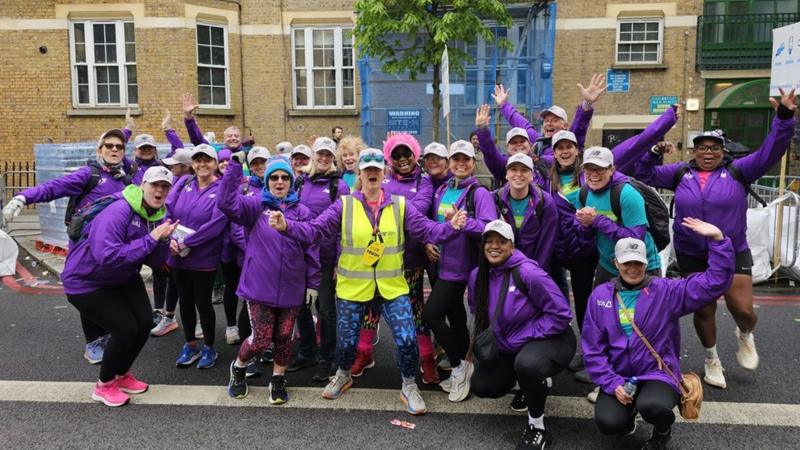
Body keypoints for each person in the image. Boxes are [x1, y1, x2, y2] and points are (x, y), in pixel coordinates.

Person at [268, 148, 468, 415]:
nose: (372, 173)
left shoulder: (400, 205)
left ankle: (409, 385)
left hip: (392, 288)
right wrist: (287, 227)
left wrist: (450, 227)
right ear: (359, 174)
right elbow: (315, 230)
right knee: (347, 343)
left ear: (384, 173)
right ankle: (343, 374)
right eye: (367, 169)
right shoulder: (344, 205)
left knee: (408, 339)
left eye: (377, 169)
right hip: (353, 289)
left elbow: (427, 229)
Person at [632, 88, 797, 389]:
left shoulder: (738, 171)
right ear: (694, 151)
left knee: (743, 309)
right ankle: (712, 359)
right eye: (702, 147)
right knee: (704, 309)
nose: (708, 152)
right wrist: (654, 152)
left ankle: (744, 333)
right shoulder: (680, 172)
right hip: (693, 253)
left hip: (731, 250)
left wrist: (784, 119)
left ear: (723, 151)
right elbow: (642, 172)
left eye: (714, 148)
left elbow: (771, 151)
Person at [583, 219, 734, 450]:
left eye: (638, 263)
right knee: (608, 423)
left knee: (654, 407)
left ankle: (662, 431)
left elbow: (714, 283)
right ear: (615, 263)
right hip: (620, 375)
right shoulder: (600, 296)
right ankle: (627, 414)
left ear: (646, 263)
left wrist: (718, 240)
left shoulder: (666, 291)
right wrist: (613, 384)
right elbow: (593, 349)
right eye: (626, 263)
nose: (632, 268)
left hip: (658, 373)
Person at [4, 128, 137, 364]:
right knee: (89, 290)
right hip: (86, 249)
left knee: (109, 292)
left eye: (119, 146)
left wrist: (127, 129)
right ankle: (94, 341)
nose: (114, 149)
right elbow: (54, 186)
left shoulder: (125, 179)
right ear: (100, 150)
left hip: (113, 247)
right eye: (109, 146)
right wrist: (23, 197)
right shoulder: (89, 175)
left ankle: (108, 334)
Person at [60, 166, 179, 406]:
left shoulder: (158, 214)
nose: (159, 190)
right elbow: (107, 256)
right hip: (86, 280)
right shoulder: (119, 210)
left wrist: (163, 241)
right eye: (155, 185)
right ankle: (103, 385)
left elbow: (155, 262)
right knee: (125, 327)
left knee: (145, 322)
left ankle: (122, 374)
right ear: (142, 185)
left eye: (165, 186)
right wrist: (152, 239)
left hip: (122, 276)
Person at [220, 154, 320, 404]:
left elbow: (312, 248)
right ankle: (239, 367)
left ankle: (278, 378)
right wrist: (234, 167)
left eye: (284, 177)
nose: (279, 182)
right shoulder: (255, 206)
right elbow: (225, 203)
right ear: (266, 182)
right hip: (259, 286)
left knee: (284, 337)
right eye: (273, 177)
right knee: (261, 339)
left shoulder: (303, 211)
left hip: (292, 288)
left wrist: (313, 283)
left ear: (291, 182)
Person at [468, 220, 575, 450]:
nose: (494, 246)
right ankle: (531, 384)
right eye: (489, 241)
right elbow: (477, 312)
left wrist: (520, 338)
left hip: (551, 338)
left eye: (501, 242)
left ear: (512, 246)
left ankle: (537, 426)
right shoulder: (478, 275)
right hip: (510, 344)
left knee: (527, 364)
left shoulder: (528, 272)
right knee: (483, 385)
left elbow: (562, 314)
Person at [349, 133, 438, 383]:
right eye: (396, 155)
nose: (402, 159)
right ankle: (364, 353)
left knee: (414, 311)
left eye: (406, 153)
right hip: (377, 260)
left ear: (415, 155)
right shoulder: (381, 178)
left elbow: (418, 209)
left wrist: (389, 210)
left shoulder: (424, 182)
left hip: (409, 260)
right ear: (389, 158)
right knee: (370, 307)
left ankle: (427, 358)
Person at [424, 140, 499, 402]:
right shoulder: (443, 189)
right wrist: (430, 241)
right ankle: (466, 367)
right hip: (442, 265)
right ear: (449, 163)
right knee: (455, 319)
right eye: (455, 159)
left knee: (431, 314)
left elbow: (490, 229)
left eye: (465, 160)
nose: (460, 164)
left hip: (462, 268)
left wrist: (463, 223)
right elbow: (436, 225)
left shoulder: (479, 193)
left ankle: (457, 367)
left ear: (472, 163)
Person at [288, 137, 351, 382]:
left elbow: (343, 227)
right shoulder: (301, 182)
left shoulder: (339, 186)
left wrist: (337, 260)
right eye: (320, 154)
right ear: (313, 156)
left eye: (328, 155)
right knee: (300, 305)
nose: (323, 159)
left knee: (325, 308)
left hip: (325, 259)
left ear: (333, 158)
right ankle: (306, 351)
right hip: (300, 255)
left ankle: (327, 357)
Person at [168, 144, 230, 369]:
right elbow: (168, 212)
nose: (202, 164)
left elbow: (216, 224)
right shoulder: (183, 183)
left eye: (207, 160)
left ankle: (210, 348)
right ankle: (190, 344)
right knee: (184, 301)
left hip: (203, 257)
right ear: (192, 164)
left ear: (215, 164)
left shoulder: (222, 189)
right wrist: (170, 239)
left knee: (203, 303)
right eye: (198, 160)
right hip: (177, 255)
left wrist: (187, 242)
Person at [575, 147, 661, 286]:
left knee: (644, 308)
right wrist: (585, 226)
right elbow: (585, 237)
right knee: (602, 307)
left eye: (599, 169)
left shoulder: (627, 194)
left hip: (640, 266)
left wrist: (597, 220)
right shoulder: (583, 193)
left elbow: (635, 239)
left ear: (611, 169)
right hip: (607, 265)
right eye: (589, 169)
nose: (593, 174)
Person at [491, 74, 605, 166]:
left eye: (555, 120)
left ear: (565, 125)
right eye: (546, 120)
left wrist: (587, 103)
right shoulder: (537, 140)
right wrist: (503, 105)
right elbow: (520, 122)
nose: (549, 123)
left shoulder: (571, 140)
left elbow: (580, 124)